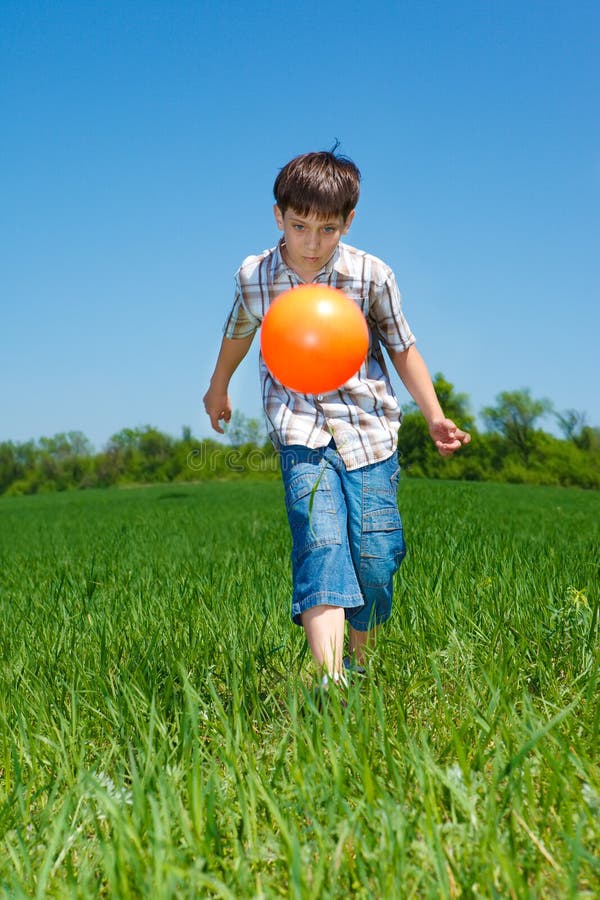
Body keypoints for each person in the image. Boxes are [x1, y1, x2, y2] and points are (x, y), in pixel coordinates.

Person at [203, 147, 470, 695]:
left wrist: (435, 415)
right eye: (299, 225)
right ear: (278, 216)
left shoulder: (371, 275)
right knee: (319, 540)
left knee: (375, 559)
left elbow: (402, 348)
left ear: (348, 222)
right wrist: (218, 387)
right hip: (300, 429)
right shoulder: (256, 276)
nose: (310, 241)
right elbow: (239, 332)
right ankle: (330, 679)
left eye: (327, 228)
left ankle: (360, 660)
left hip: (370, 431)